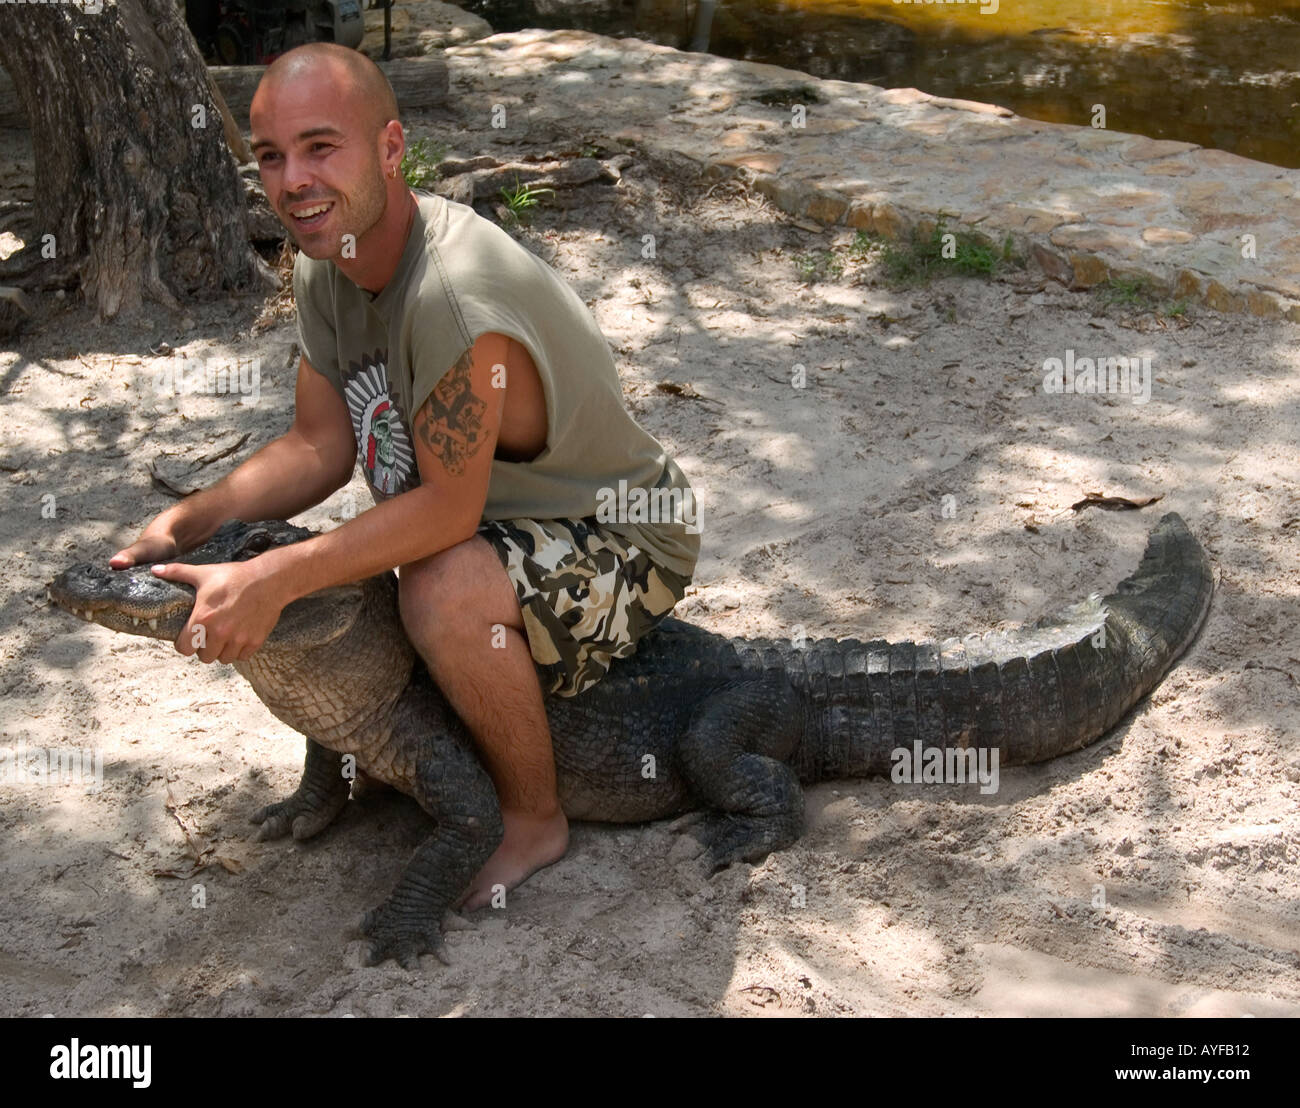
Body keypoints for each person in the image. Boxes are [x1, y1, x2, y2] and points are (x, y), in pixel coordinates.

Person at [109, 43, 701, 909]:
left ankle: (532, 820)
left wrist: (271, 576)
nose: (293, 179)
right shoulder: (325, 260)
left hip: (620, 532)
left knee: (438, 590)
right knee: (394, 581)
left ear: (390, 149)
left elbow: (447, 515)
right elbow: (318, 445)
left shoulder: (450, 297)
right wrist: (187, 523)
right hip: (497, 524)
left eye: (322, 147)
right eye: (270, 156)